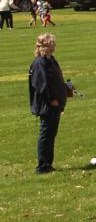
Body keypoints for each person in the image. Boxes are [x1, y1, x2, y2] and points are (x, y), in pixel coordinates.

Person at [29, 33, 69, 174]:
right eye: (52, 43)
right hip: (48, 105)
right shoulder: (40, 63)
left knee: (51, 134)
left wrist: (66, 89)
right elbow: (40, 85)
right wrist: (51, 100)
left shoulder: (50, 59)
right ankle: (43, 166)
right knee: (46, 134)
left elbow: (55, 79)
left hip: (55, 104)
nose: (54, 45)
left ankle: (48, 164)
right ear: (45, 45)